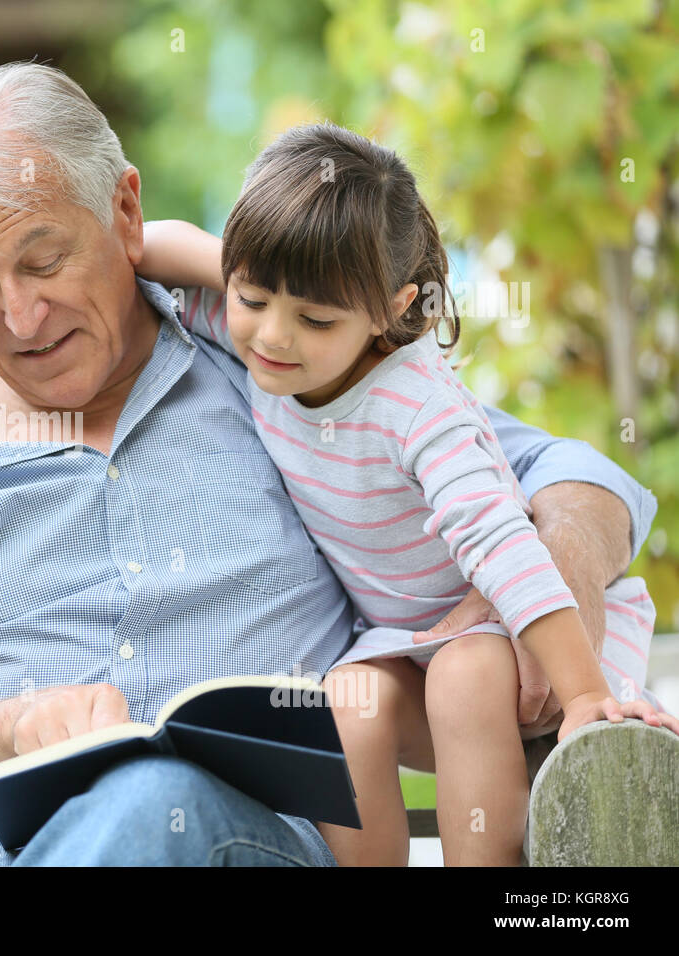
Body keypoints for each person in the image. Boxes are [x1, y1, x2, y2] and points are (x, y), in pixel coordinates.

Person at [0, 62, 658, 867]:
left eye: (44, 261)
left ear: (126, 215)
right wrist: (10, 731)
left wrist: (550, 604)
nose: (18, 316)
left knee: (153, 798)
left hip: (244, 837)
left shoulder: (280, 366)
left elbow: (573, 476)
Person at [137, 123, 678, 866]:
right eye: (251, 297)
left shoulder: (418, 408)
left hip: (519, 635)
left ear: (391, 309)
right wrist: (219, 264)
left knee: (464, 676)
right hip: (403, 642)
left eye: (316, 320)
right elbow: (157, 250)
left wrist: (583, 693)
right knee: (347, 706)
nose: (274, 338)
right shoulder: (259, 335)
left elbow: (499, 543)